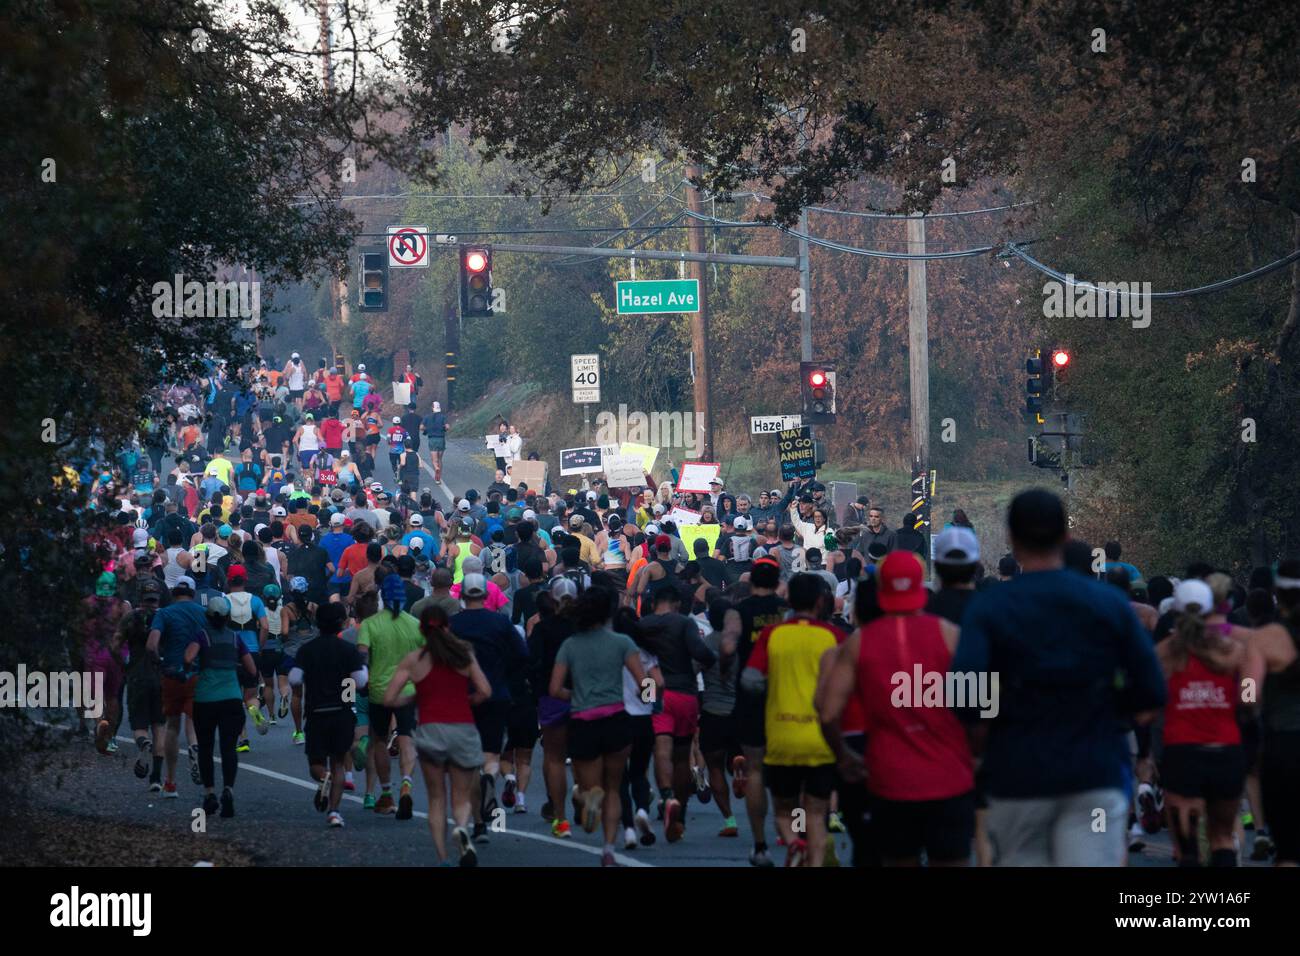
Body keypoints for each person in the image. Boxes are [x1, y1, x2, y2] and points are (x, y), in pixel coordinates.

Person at [950, 489, 1166, 865]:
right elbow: (1151, 691)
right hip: (1094, 774)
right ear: (1066, 538)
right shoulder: (1110, 604)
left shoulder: (989, 607)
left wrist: (983, 744)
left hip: (1016, 777)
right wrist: (1113, 719)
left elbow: (964, 694)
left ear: (1012, 540)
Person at [819, 551, 975, 866]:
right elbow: (981, 707)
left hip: (889, 780)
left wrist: (844, 755)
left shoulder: (859, 643)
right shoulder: (951, 635)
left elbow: (827, 711)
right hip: (950, 778)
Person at [1156, 578, 1262, 866]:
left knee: (1187, 848)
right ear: (1211, 610)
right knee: (1222, 839)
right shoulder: (1234, 651)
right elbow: (1250, 697)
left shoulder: (1165, 652)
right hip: (1225, 752)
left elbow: (1149, 698)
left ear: (1176, 611)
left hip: (1182, 754)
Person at [740, 573, 844, 866]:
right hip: (820, 740)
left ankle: (793, 842)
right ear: (822, 601)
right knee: (815, 813)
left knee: (784, 812)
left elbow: (750, 680)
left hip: (781, 738)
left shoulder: (772, 635)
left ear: (788, 600)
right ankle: (812, 855)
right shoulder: (833, 636)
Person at [384, 605, 492, 865]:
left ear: (422, 629)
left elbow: (388, 698)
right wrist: (469, 700)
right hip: (462, 727)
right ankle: (462, 828)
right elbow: (485, 691)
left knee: (436, 797)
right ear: (447, 626)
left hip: (430, 729)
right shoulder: (464, 653)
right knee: (462, 793)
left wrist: (414, 696)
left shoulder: (414, 659)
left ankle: (443, 857)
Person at [549, 587, 648, 866]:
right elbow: (643, 683)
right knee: (614, 787)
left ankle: (589, 797)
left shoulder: (570, 645)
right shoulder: (622, 642)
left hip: (583, 719)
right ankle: (608, 849)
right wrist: (649, 698)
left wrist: (578, 693)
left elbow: (555, 689)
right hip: (616, 717)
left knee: (589, 785)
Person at [450, 572, 530, 842]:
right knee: (491, 754)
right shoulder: (500, 622)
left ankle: (479, 823)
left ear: (462, 596)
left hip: (462, 697)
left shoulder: (453, 625)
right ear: (485, 596)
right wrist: (504, 675)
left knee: (466, 761)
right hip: (496, 693)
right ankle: (489, 781)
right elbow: (522, 655)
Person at [639, 584, 718, 842]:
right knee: (683, 757)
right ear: (675, 603)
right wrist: (697, 667)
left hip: (656, 693)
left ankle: (665, 796)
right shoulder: (684, 624)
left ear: (654, 603)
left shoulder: (643, 625)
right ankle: (680, 813)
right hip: (685, 692)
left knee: (661, 747)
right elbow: (703, 653)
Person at [289, 603, 366, 828]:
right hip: (342, 711)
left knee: (316, 763)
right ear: (342, 623)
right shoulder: (348, 650)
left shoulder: (307, 650)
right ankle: (334, 812)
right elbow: (361, 681)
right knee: (339, 762)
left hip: (316, 711)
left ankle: (325, 778)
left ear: (317, 623)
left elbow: (294, 679)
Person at [358, 572, 424, 818]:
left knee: (378, 740)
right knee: (406, 737)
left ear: (382, 597)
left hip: (378, 691)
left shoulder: (370, 624)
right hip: (407, 691)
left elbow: (362, 659)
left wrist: (361, 686)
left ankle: (385, 794)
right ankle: (406, 782)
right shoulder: (415, 625)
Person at [187, 595, 257, 820]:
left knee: (206, 748)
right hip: (231, 698)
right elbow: (252, 669)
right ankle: (229, 790)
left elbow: (188, 658)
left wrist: (197, 664)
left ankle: (209, 793)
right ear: (228, 618)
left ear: (208, 616)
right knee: (228, 748)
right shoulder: (236, 638)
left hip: (206, 698)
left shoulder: (202, 635)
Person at [146, 575, 207, 797]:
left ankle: (170, 782)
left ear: (173, 593)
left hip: (171, 672)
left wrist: (159, 660)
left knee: (172, 726)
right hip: (197, 673)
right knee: (193, 720)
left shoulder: (164, 613)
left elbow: (152, 644)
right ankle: (194, 747)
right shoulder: (202, 613)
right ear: (192, 593)